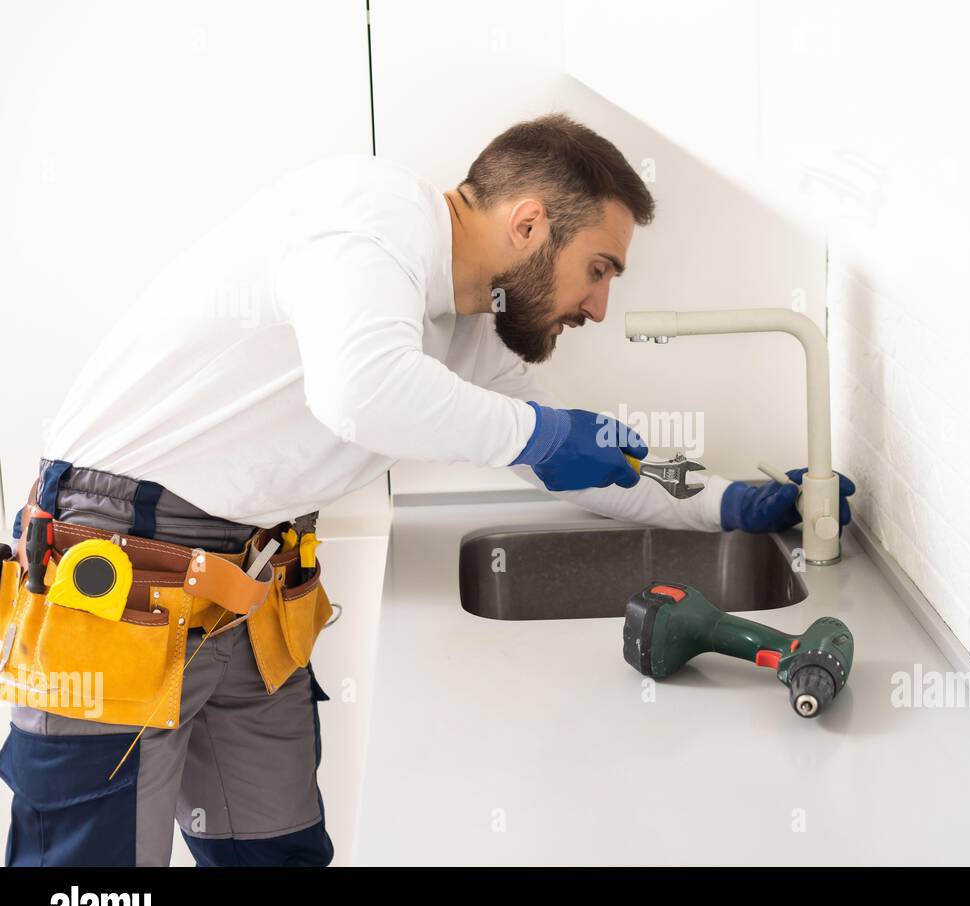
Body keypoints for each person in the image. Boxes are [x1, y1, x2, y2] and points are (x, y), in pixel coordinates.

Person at [0, 113, 854, 866]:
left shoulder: (472, 326)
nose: (598, 306)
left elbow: (571, 463)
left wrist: (728, 504)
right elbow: (361, 393)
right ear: (529, 224)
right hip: (118, 566)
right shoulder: (369, 220)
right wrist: (548, 436)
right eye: (599, 268)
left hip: (245, 585)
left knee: (274, 854)